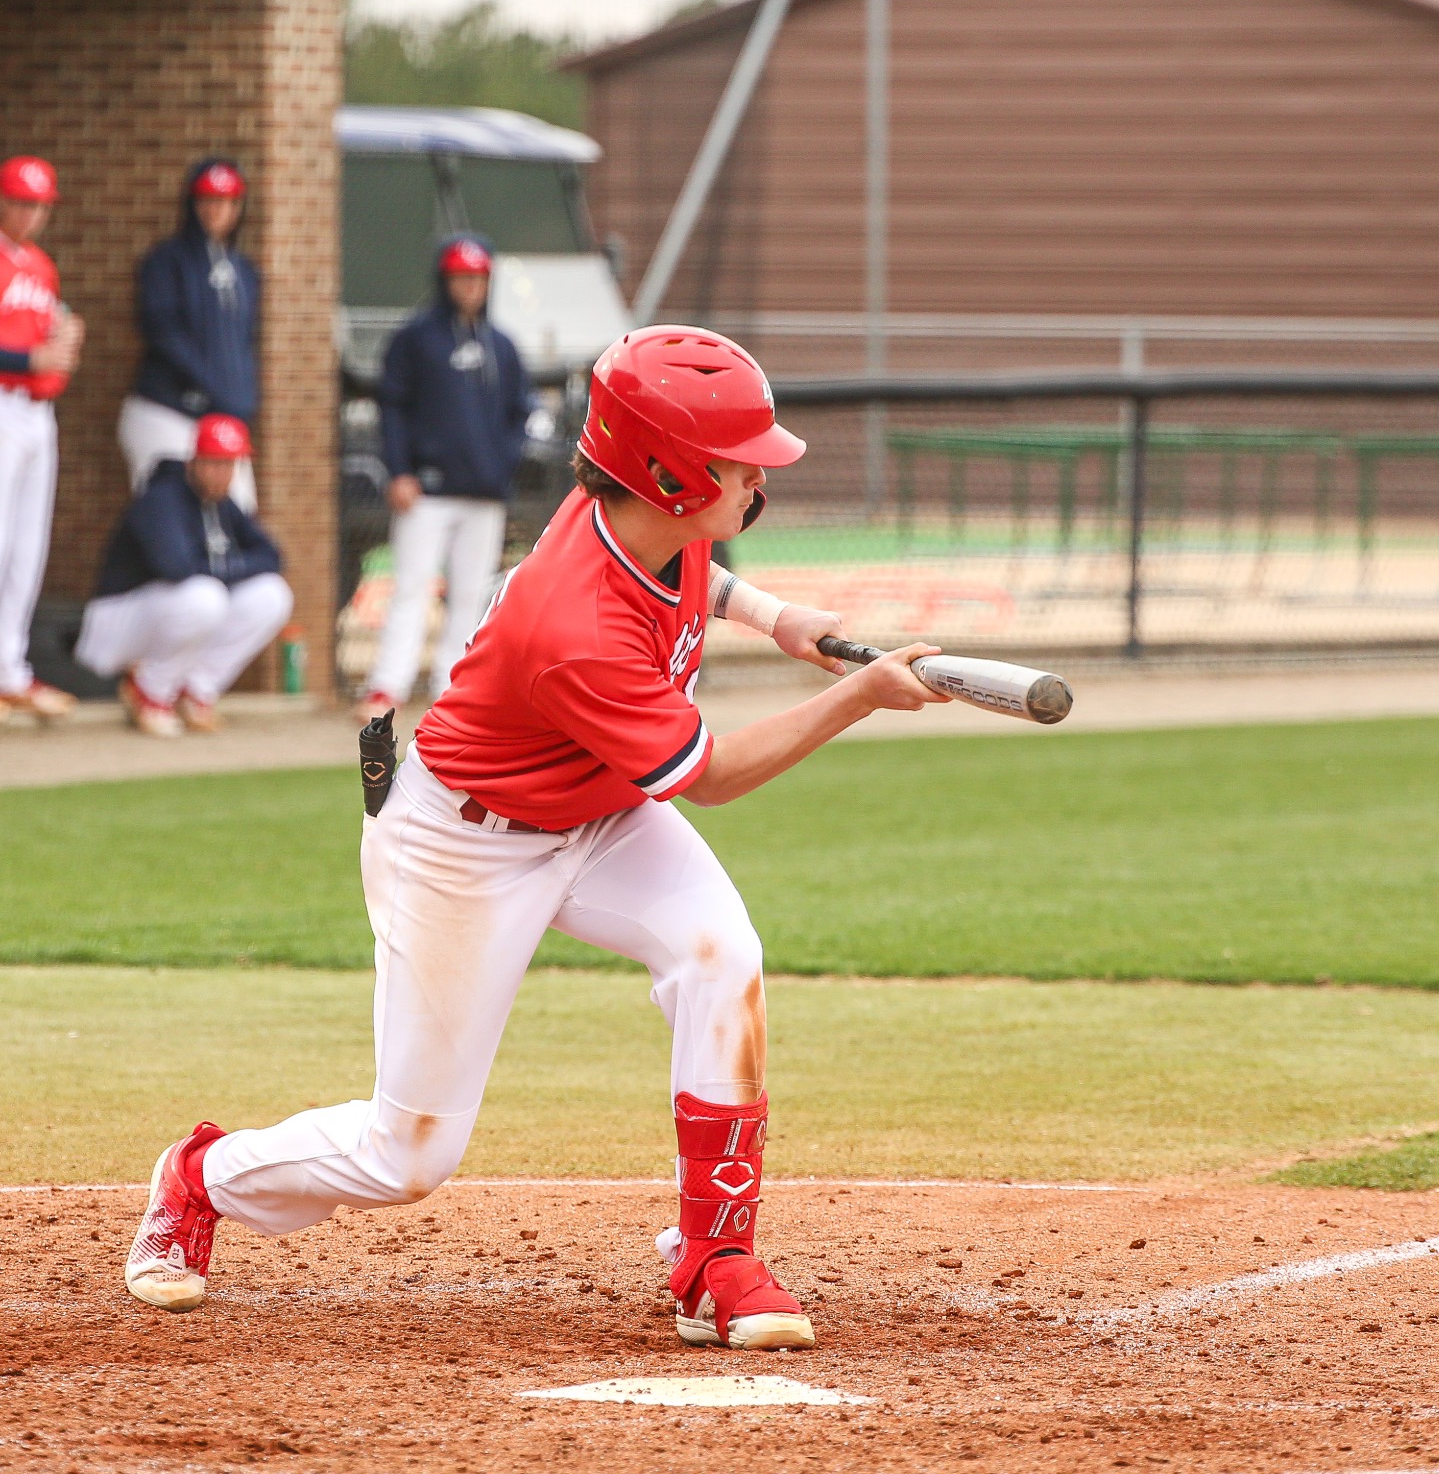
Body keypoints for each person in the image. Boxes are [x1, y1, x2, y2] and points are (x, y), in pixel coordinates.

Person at [123, 325, 948, 1349]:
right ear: (668, 472)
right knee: (407, 1157)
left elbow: (697, 568)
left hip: (595, 812)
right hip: (463, 845)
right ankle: (200, 1174)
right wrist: (862, 692)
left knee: (720, 953)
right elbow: (718, 778)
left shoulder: (640, 512)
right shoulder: (574, 625)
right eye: (738, 464)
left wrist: (777, 618)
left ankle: (714, 1258)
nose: (756, 479)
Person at [354, 234, 534, 721]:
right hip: (426, 492)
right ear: (444, 279)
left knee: (472, 596)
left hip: (483, 493)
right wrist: (400, 471)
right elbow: (391, 408)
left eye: (477, 278)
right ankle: (385, 688)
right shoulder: (415, 339)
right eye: (460, 277)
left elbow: (522, 414)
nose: (469, 287)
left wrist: (502, 463)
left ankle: (450, 689)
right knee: (411, 585)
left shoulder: (503, 347)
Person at [76, 413, 291, 738]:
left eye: (230, 464)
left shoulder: (223, 504)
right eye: (215, 463)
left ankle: (195, 691)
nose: (223, 474)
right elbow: (176, 568)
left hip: (163, 615)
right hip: (116, 625)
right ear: (195, 461)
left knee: (272, 594)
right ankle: (150, 691)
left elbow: (272, 556)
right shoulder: (162, 498)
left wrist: (225, 567)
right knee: (205, 595)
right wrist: (228, 567)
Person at [122, 157, 259, 510]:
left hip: (221, 421)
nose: (218, 210)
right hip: (168, 410)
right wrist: (218, 389)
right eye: (208, 200)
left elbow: (244, 344)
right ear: (192, 203)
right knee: (171, 518)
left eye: (228, 201)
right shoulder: (167, 261)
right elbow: (163, 334)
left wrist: (241, 399)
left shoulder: (243, 270)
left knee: (238, 515)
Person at [0, 155, 84, 724]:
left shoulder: (43, 267)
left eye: (39, 205)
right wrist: (30, 356)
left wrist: (67, 336)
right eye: (21, 201)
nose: (31, 214)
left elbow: (54, 335)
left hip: (38, 411)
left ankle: (10, 670)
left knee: (28, 545)